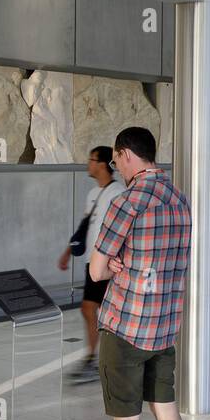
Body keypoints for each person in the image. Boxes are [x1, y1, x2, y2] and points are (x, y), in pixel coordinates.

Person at [77, 126, 192, 420]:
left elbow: (95, 271)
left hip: (126, 329)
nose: (116, 169)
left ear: (126, 156)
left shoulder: (128, 201)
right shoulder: (180, 199)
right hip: (164, 327)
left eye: (116, 161)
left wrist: (117, 265)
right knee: (167, 411)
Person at [58, 145, 125, 377]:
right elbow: (85, 226)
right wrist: (68, 252)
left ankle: (102, 358)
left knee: (94, 309)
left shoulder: (117, 192)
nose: (89, 163)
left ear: (103, 164)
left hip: (107, 263)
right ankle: (94, 358)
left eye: (92, 159)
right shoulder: (93, 193)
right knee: (90, 309)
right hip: (92, 261)